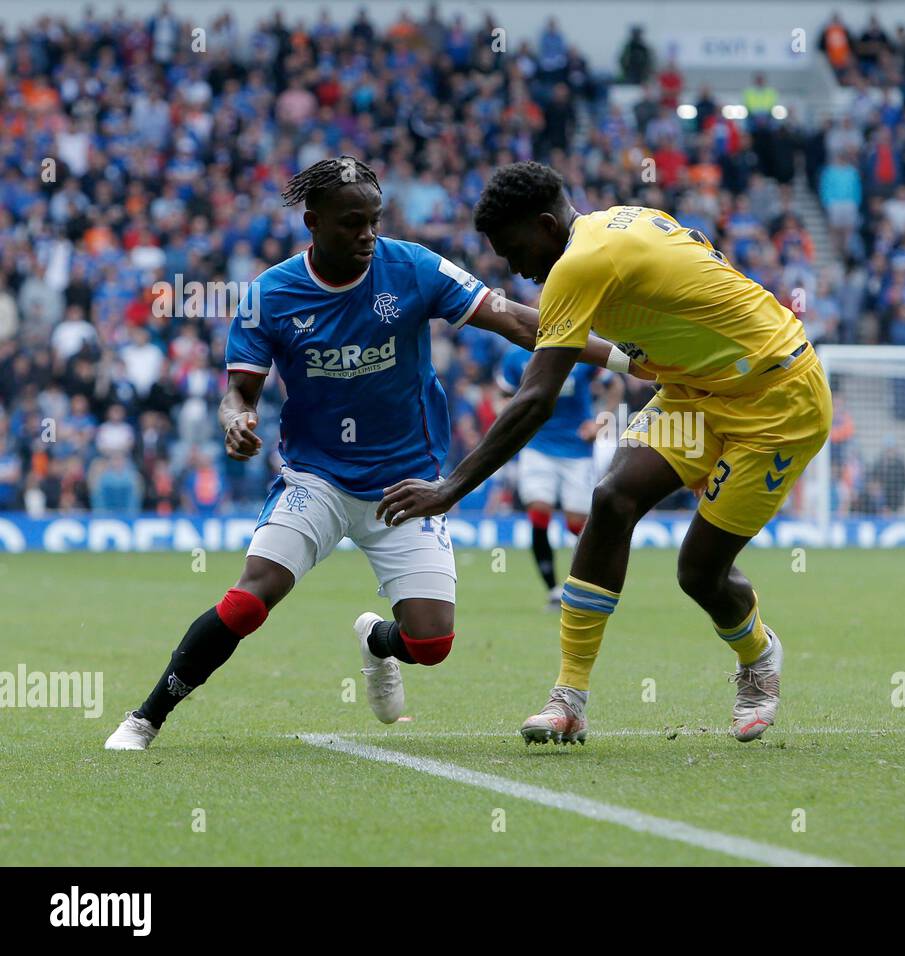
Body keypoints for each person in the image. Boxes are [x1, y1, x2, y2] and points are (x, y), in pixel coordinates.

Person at [105, 157, 633, 750]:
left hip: (408, 481)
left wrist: (627, 359)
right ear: (312, 221)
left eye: (374, 220)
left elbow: (512, 319)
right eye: (351, 222)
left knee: (431, 644)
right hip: (317, 478)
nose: (367, 234)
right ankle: (145, 718)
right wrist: (237, 421)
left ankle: (377, 640)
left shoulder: (412, 267)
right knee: (252, 597)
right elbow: (238, 393)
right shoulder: (270, 294)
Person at [374, 162, 832, 744]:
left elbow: (536, 397)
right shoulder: (620, 224)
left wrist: (451, 488)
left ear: (544, 225)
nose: (515, 268)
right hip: (697, 390)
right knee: (612, 498)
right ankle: (569, 697)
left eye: (514, 250)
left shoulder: (578, 265)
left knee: (698, 573)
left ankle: (758, 656)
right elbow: (625, 340)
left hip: (778, 401)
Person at [495, 343, 624, 608]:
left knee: (576, 523)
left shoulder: (581, 349)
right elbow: (504, 395)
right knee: (539, 510)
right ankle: (553, 589)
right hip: (537, 446)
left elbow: (615, 385)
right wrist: (514, 418)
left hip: (577, 448)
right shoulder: (516, 356)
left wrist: (600, 422)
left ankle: (588, 582)